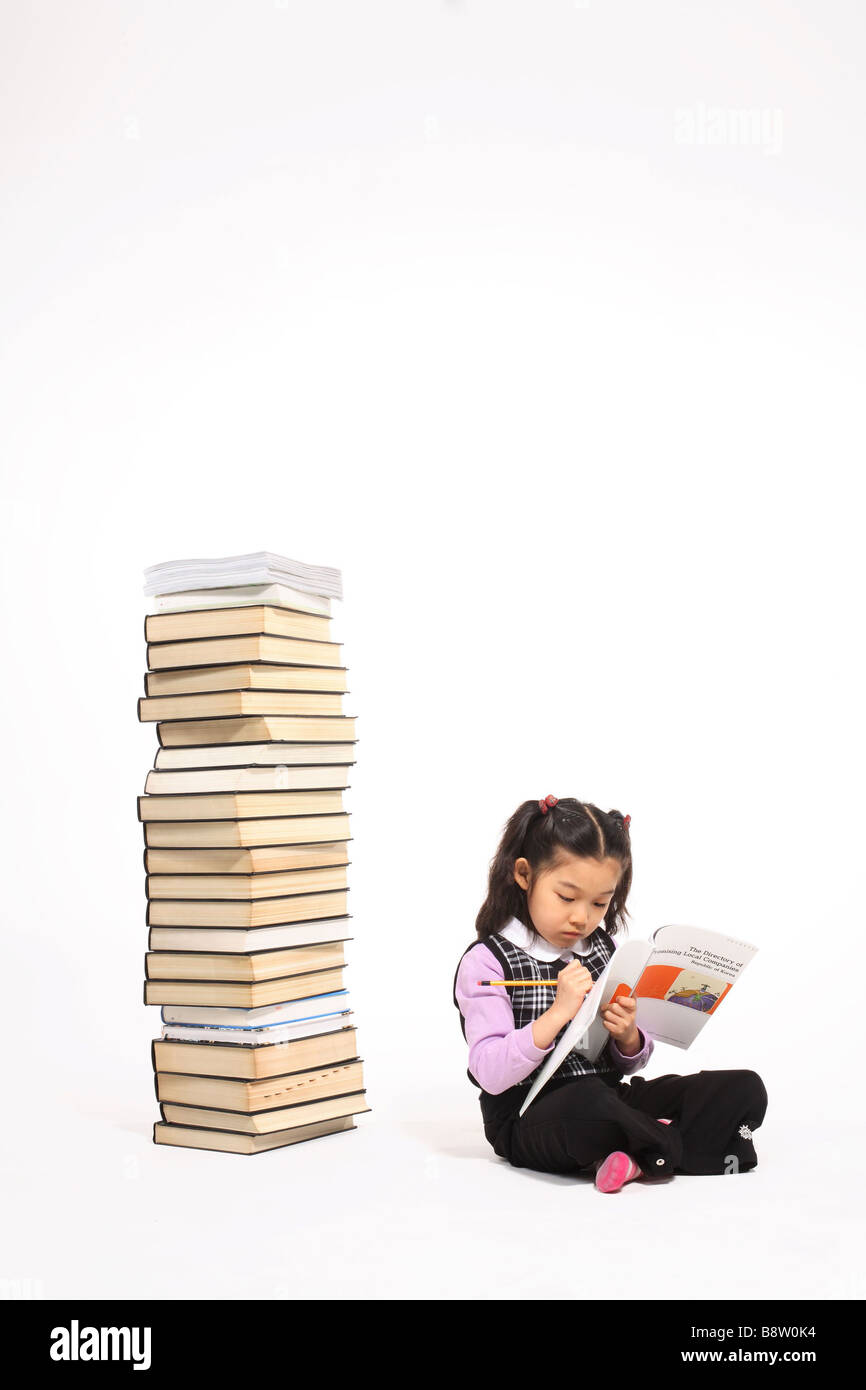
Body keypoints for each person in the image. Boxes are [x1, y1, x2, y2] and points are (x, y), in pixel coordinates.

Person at [453, 795, 768, 1192]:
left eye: (600, 903)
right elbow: (489, 1073)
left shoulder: (604, 949)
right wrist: (558, 1013)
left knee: (742, 1088)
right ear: (524, 874)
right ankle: (675, 1144)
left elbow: (629, 1062)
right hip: (529, 1113)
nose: (581, 917)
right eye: (566, 897)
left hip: (609, 1096)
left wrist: (628, 1036)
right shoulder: (488, 961)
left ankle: (635, 1154)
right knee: (589, 1105)